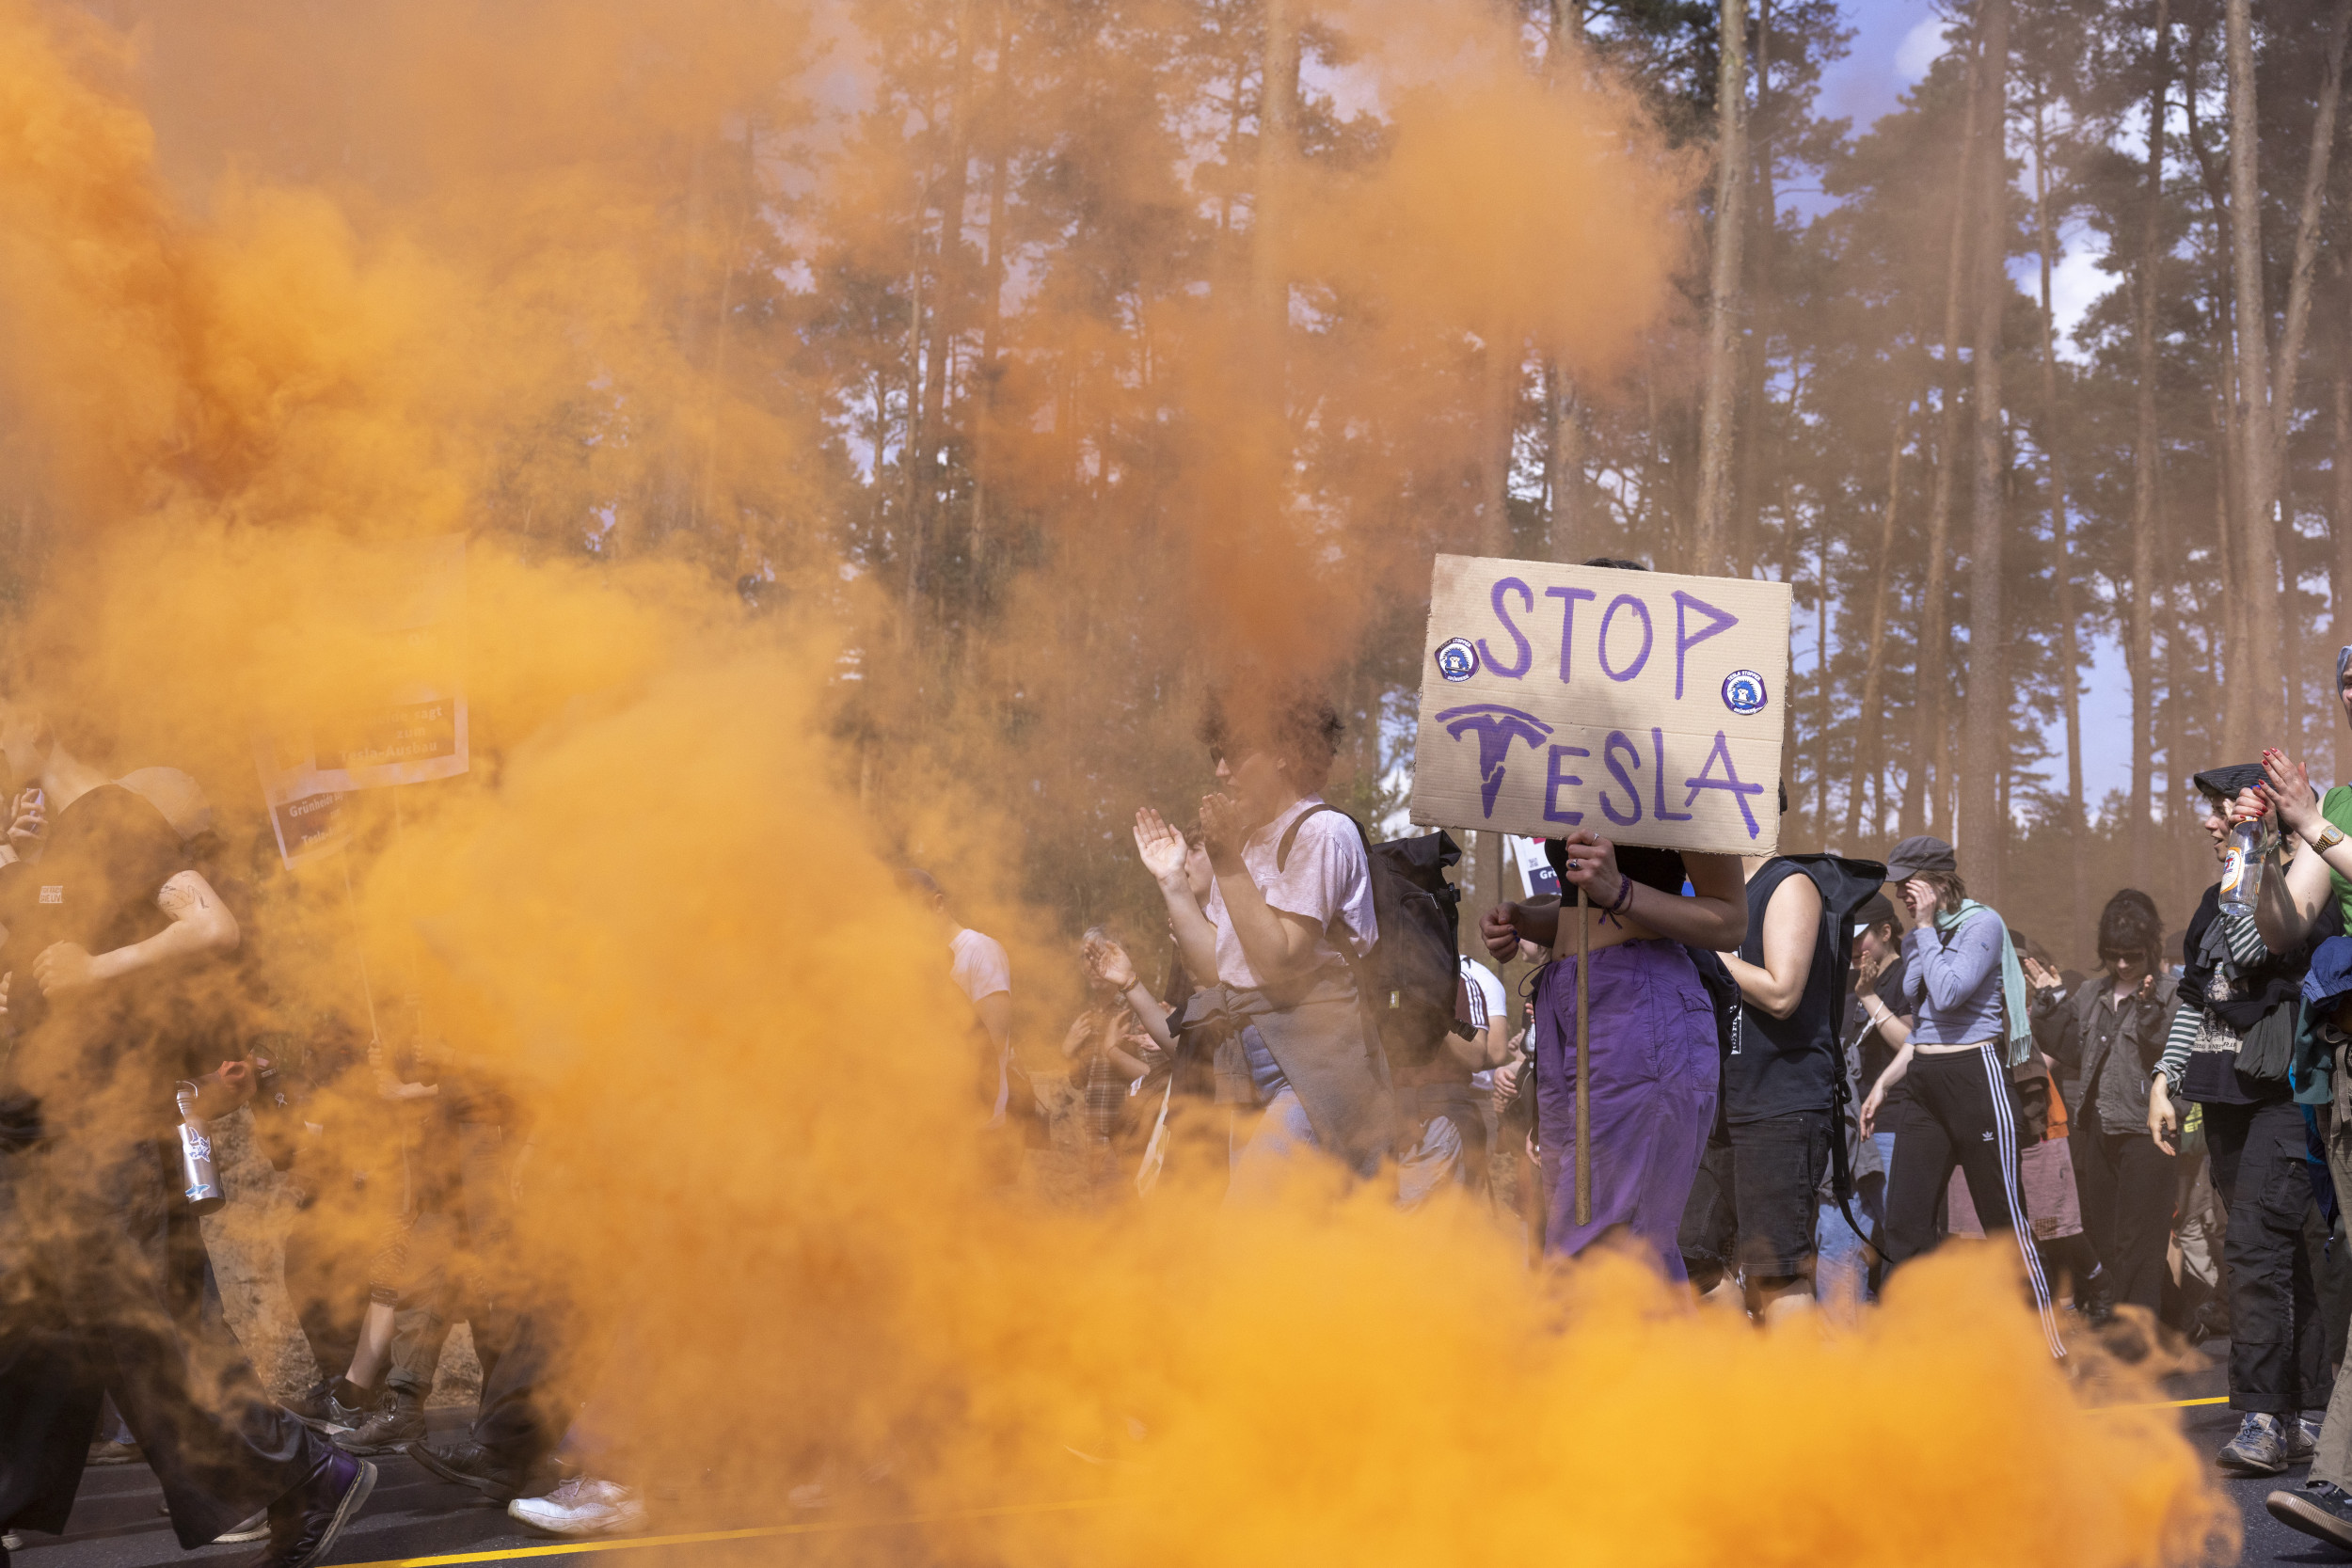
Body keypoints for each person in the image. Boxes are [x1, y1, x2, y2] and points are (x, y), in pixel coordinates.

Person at [0, 699, 373, 1567]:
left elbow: (211, 923)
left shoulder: (117, 816)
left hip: (100, 1128)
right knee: (36, 1330)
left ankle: (306, 1471)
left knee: (137, 1334)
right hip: (51, 1129)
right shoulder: (58, 835)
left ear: (31, 722)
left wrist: (101, 969)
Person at [1134, 681, 1392, 1192]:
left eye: (1233, 753)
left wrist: (1226, 857)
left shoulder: (1323, 832)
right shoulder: (1250, 842)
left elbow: (1279, 959)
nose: (1221, 770)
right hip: (1252, 1071)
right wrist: (1172, 882)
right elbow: (1216, 970)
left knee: (1253, 1237)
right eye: (1216, 754)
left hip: (1319, 1070)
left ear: (1284, 753)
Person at [2153, 767, 2334, 1476]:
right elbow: (2197, 994)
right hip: (2223, 1091)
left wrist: (2247, 856)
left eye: (2224, 810)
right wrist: (2166, 1080)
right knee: (2274, 1247)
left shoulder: (2298, 887)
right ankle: (2301, 1411)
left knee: (2258, 1244)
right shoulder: (2215, 895)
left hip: (2286, 1092)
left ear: (2261, 813)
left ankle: (2263, 1414)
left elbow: (2257, 945)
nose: (2209, 823)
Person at [1479, 830, 1747, 1275]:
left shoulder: (1682, 772)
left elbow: (1731, 920)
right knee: (1578, 1229)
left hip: (1637, 1007)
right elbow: (1584, 910)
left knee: (1606, 1248)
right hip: (1570, 1002)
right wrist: (1525, 920)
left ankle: (1605, 1344)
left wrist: (1621, 890)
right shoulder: (1580, 773)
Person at [1859, 835, 2066, 1360]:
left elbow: (1951, 992)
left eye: (1911, 884)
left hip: (1976, 1077)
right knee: (1904, 1224)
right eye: (1900, 886)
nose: (1904, 894)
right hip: (1925, 1078)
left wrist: (1926, 929)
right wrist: (1885, 1083)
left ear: (1937, 882)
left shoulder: (1982, 924)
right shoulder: (1917, 938)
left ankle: (2048, 1351)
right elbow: (1927, 1021)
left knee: (2004, 1221)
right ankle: (1915, 1353)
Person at [1681, 843, 1880, 1322]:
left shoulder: (1789, 883)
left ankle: (1796, 1396)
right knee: (1687, 1258)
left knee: (1775, 1272)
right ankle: (1749, 1385)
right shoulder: (1716, 895)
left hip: (1780, 1105)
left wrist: (1691, 943)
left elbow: (1781, 991)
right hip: (1718, 1108)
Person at [2026, 890, 2178, 1323]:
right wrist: (2051, 1002)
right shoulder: (2092, 993)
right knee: (2109, 1239)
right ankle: (2179, 1322)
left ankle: (2132, 1345)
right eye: (2114, 956)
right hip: (2097, 1130)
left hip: (2150, 1134)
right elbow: (2067, 1050)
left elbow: (2173, 1056)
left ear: (2150, 947)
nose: (2124, 965)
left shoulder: (2172, 995)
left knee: (2139, 1243)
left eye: (2132, 955)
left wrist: (2149, 1016)